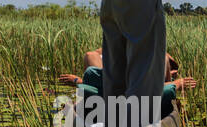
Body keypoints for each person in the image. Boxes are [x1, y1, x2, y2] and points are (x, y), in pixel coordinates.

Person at [58, 49, 197, 120]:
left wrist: (78, 81)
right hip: (121, 94)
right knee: (91, 57)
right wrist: (177, 83)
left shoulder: (162, 65)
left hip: (126, 99)